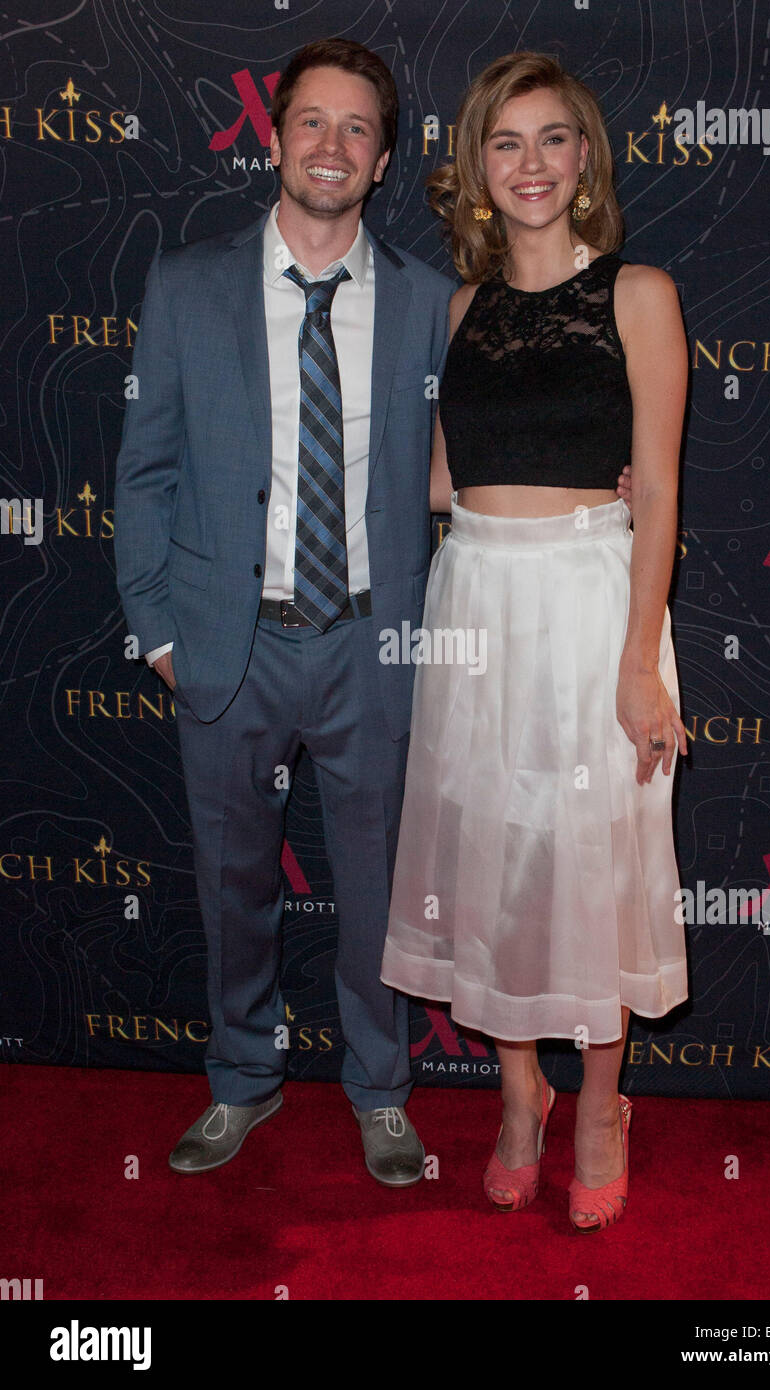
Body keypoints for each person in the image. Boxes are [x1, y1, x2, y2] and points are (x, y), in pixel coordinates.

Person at [113, 38, 457, 1186]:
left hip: (372, 642)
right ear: (274, 137)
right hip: (230, 642)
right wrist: (159, 630)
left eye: (356, 128)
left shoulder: (422, 301)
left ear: (382, 158)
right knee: (232, 886)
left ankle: (379, 1091)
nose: (330, 145)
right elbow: (145, 473)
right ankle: (240, 1081)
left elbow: (466, 461)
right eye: (311, 121)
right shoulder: (186, 283)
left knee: (376, 894)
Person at [380, 51, 689, 1230]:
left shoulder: (638, 294)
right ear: (473, 169)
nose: (529, 163)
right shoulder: (456, 309)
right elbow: (441, 486)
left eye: (551, 138)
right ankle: (520, 1099)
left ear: (583, 160)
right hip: (476, 606)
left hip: (588, 600)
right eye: (504, 142)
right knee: (490, 861)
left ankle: (599, 1105)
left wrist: (633, 656)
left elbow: (656, 490)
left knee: (594, 859)